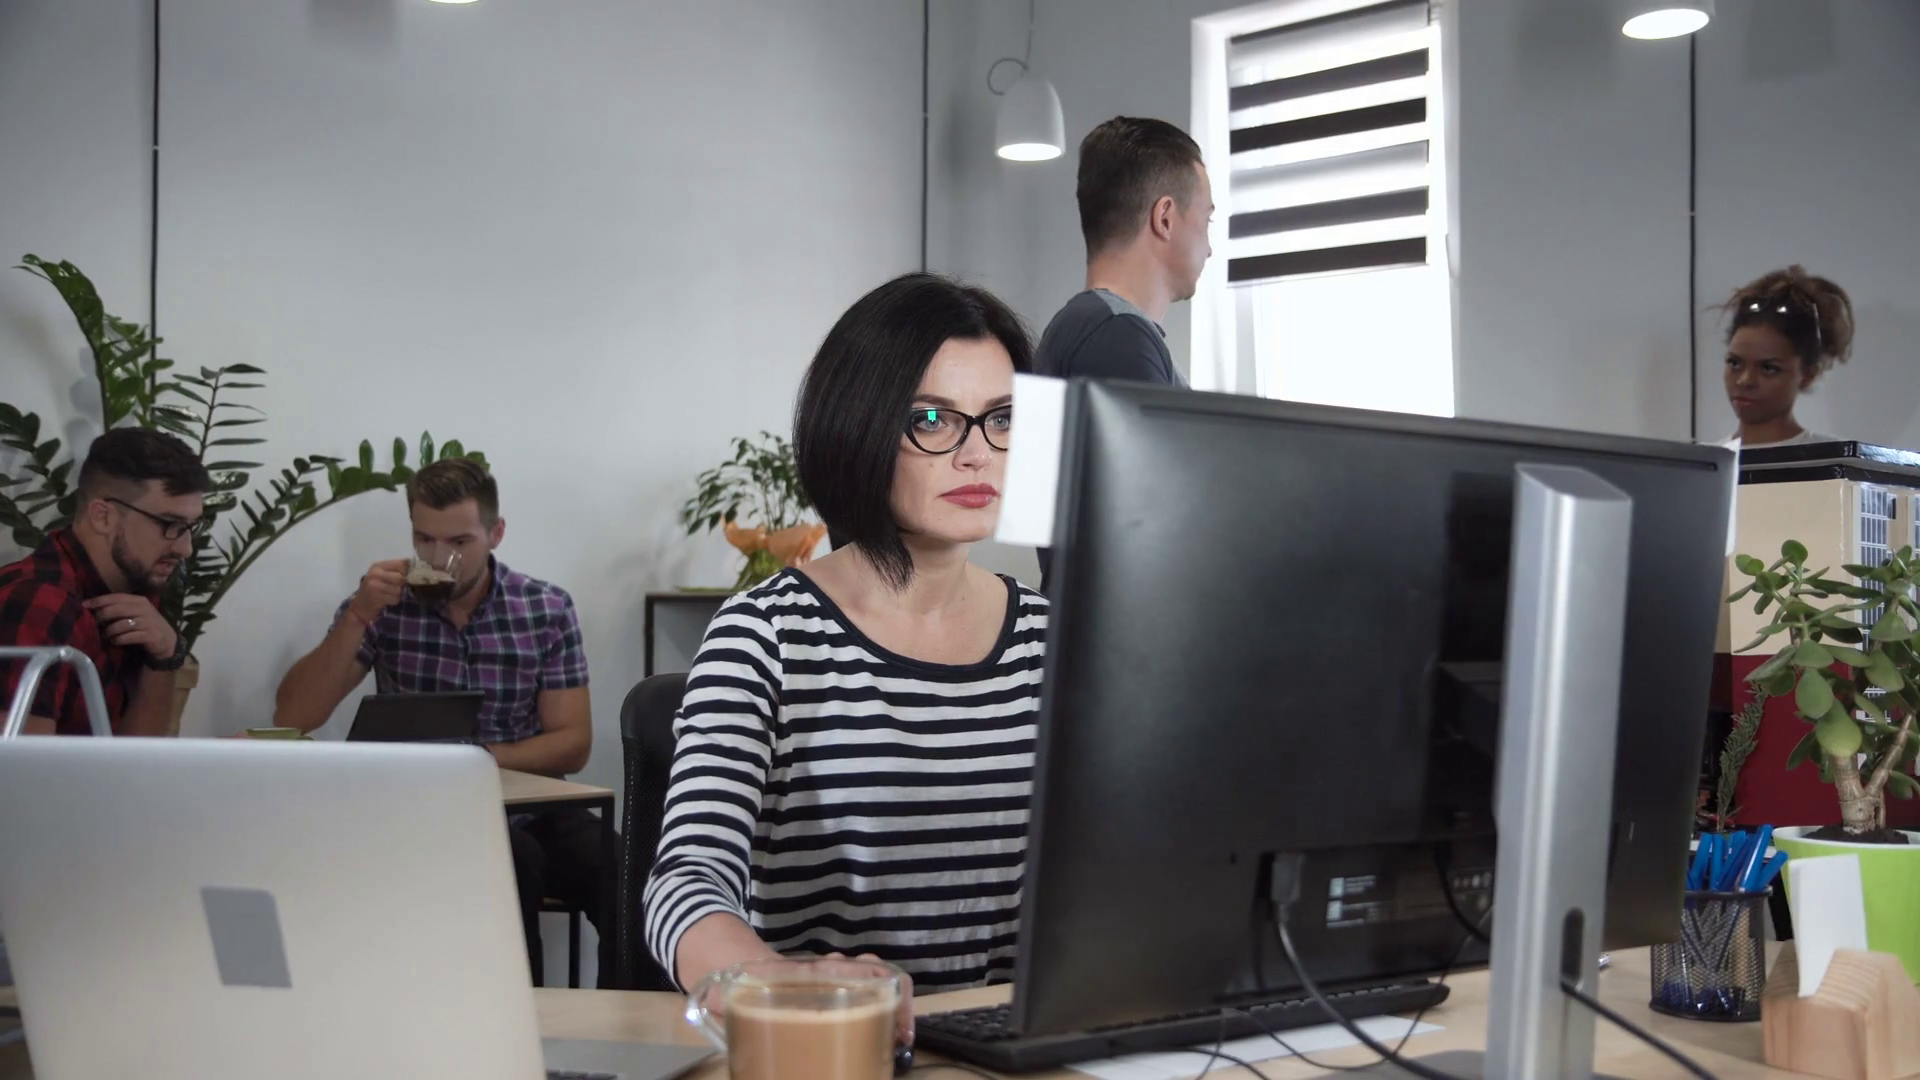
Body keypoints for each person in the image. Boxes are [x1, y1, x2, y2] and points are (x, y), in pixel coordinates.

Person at [644, 274, 1049, 1043]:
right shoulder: (765, 635)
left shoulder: (1049, 638)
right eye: (931, 419)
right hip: (835, 1049)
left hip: (1014, 1049)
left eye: (1003, 419)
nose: (977, 454)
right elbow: (684, 885)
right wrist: (774, 979)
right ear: (858, 427)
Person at [271, 458, 605, 983]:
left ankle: (638, 1031)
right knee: (510, 862)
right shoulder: (383, 604)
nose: (438, 557)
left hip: (528, 800)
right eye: (423, 540)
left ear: (495, 533)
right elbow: (292, 716)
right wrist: (358, 616)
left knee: (617, 865)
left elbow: (572, 743)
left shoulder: (544, 608)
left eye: (458, 542)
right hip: (421, 809)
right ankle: (525, 1041)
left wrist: (476, 760)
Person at [0, 428, 206, 736]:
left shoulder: (136, 597)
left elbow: (135, 764)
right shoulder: (37, 601)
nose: (185, 548)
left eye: (190, 526)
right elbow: (23, 777)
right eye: (170, 525)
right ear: (103, 516)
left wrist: (164, 658)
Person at [1035, 116, 1214, 386]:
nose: (1209, 249)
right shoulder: (1117, 334)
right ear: (1165, 218)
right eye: (1206, 220)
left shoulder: (1097, 327)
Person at [1720, 265, 1855, 449]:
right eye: (1735, 363)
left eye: (1768, 368)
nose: (1744, 381)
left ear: (1808, 375)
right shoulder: (1698, 464)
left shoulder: (1833, 460)